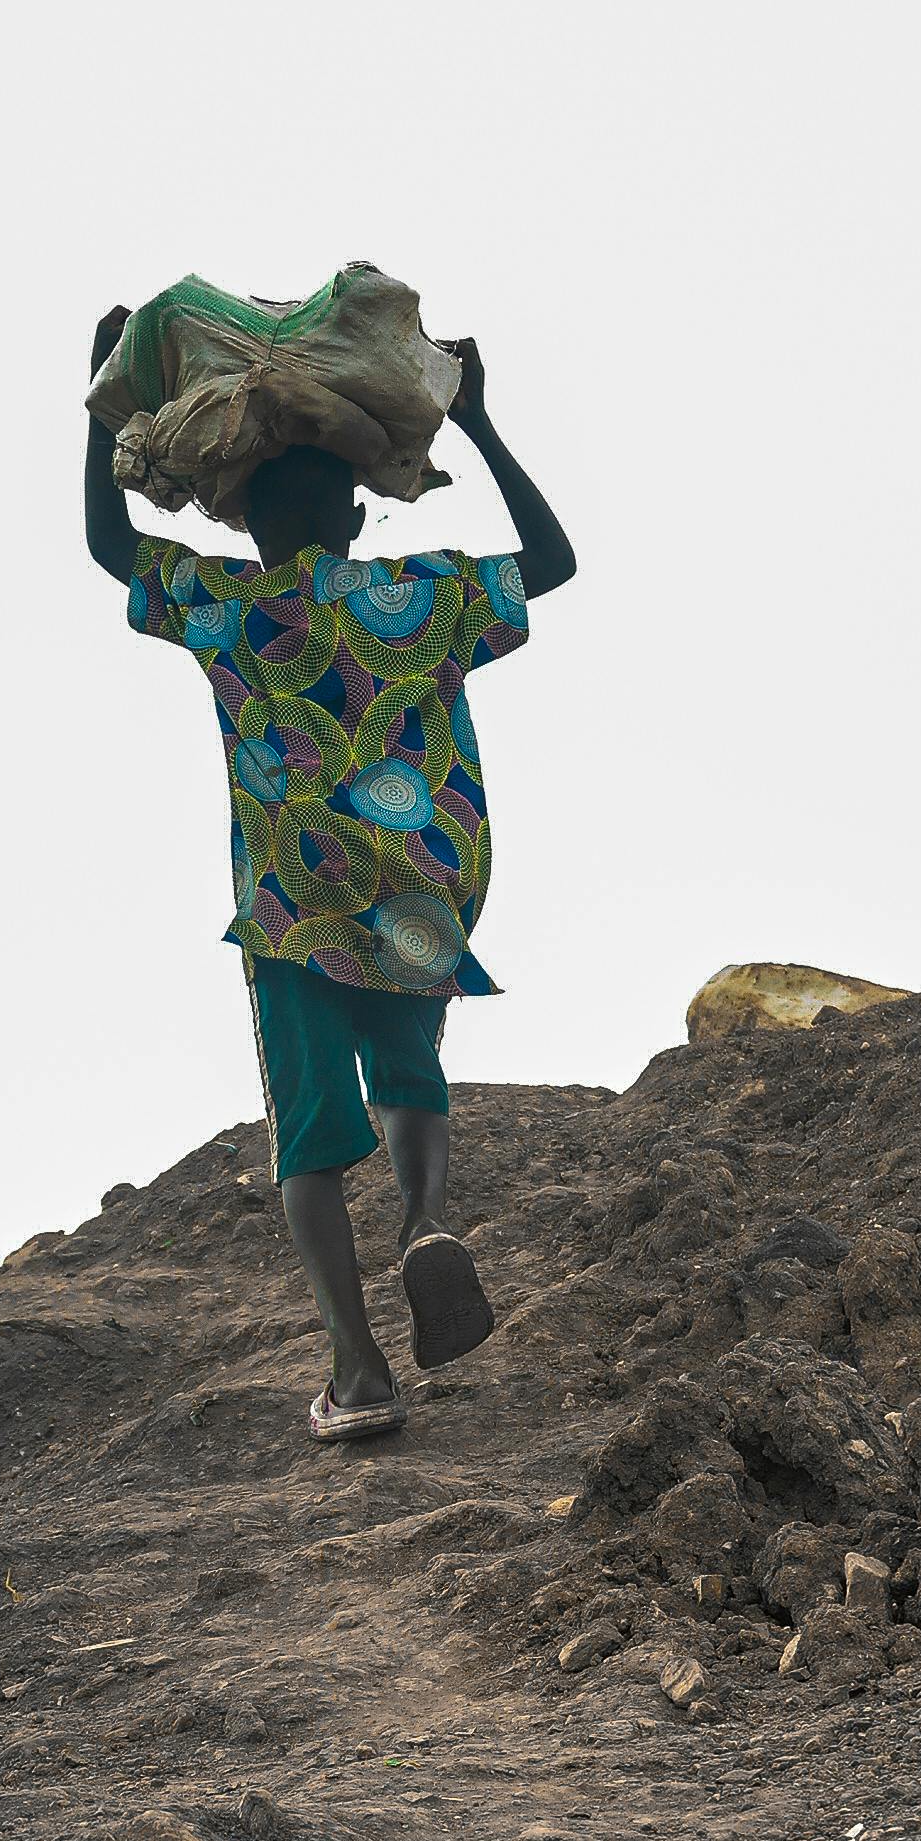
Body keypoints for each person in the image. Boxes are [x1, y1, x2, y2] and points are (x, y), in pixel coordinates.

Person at [85, 305, 576, 1439]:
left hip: (292, 899)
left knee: (307, 1134)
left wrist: (102, 403)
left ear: (243, 521)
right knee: (409, 1071)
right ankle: (428, 1220)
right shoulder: (426, 594)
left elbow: (112, 550)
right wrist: (481, 424)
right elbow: (551, 564)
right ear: (358, 513)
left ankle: (359, 1373)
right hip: (418, 879)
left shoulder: (231, 611)